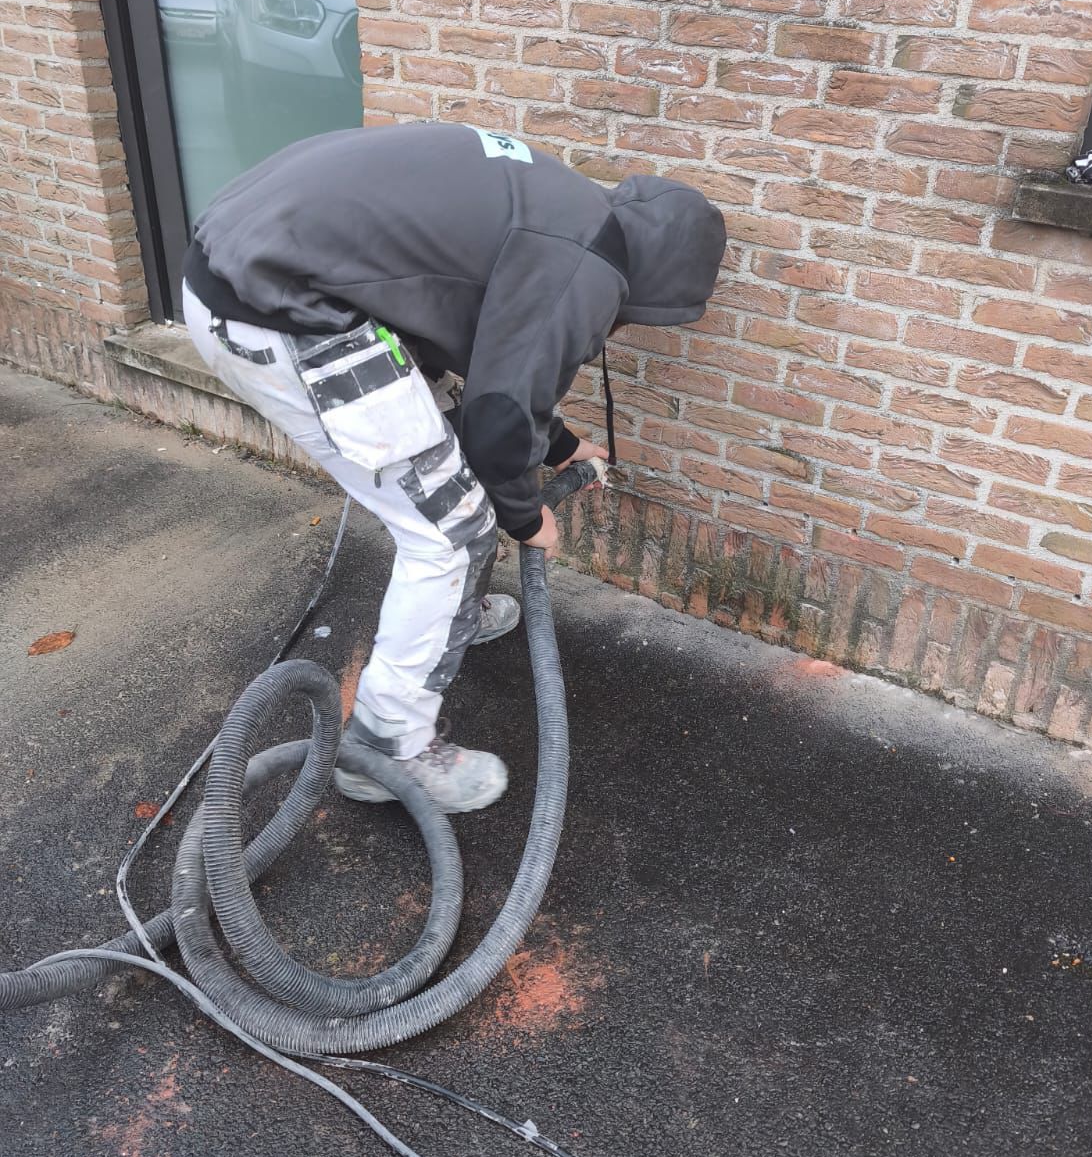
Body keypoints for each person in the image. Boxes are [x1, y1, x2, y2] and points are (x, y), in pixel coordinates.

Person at [181, 120, 726, 813]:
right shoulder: (586, 265)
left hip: (255, 266)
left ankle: (453, 616)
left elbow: (494, 357)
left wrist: (558, 447)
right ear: (663, 278)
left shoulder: (568, 211)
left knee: (453, 483)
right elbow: (499, 416)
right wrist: (528, 521)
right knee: (451, 530)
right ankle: (387, 745)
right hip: (279, 309)